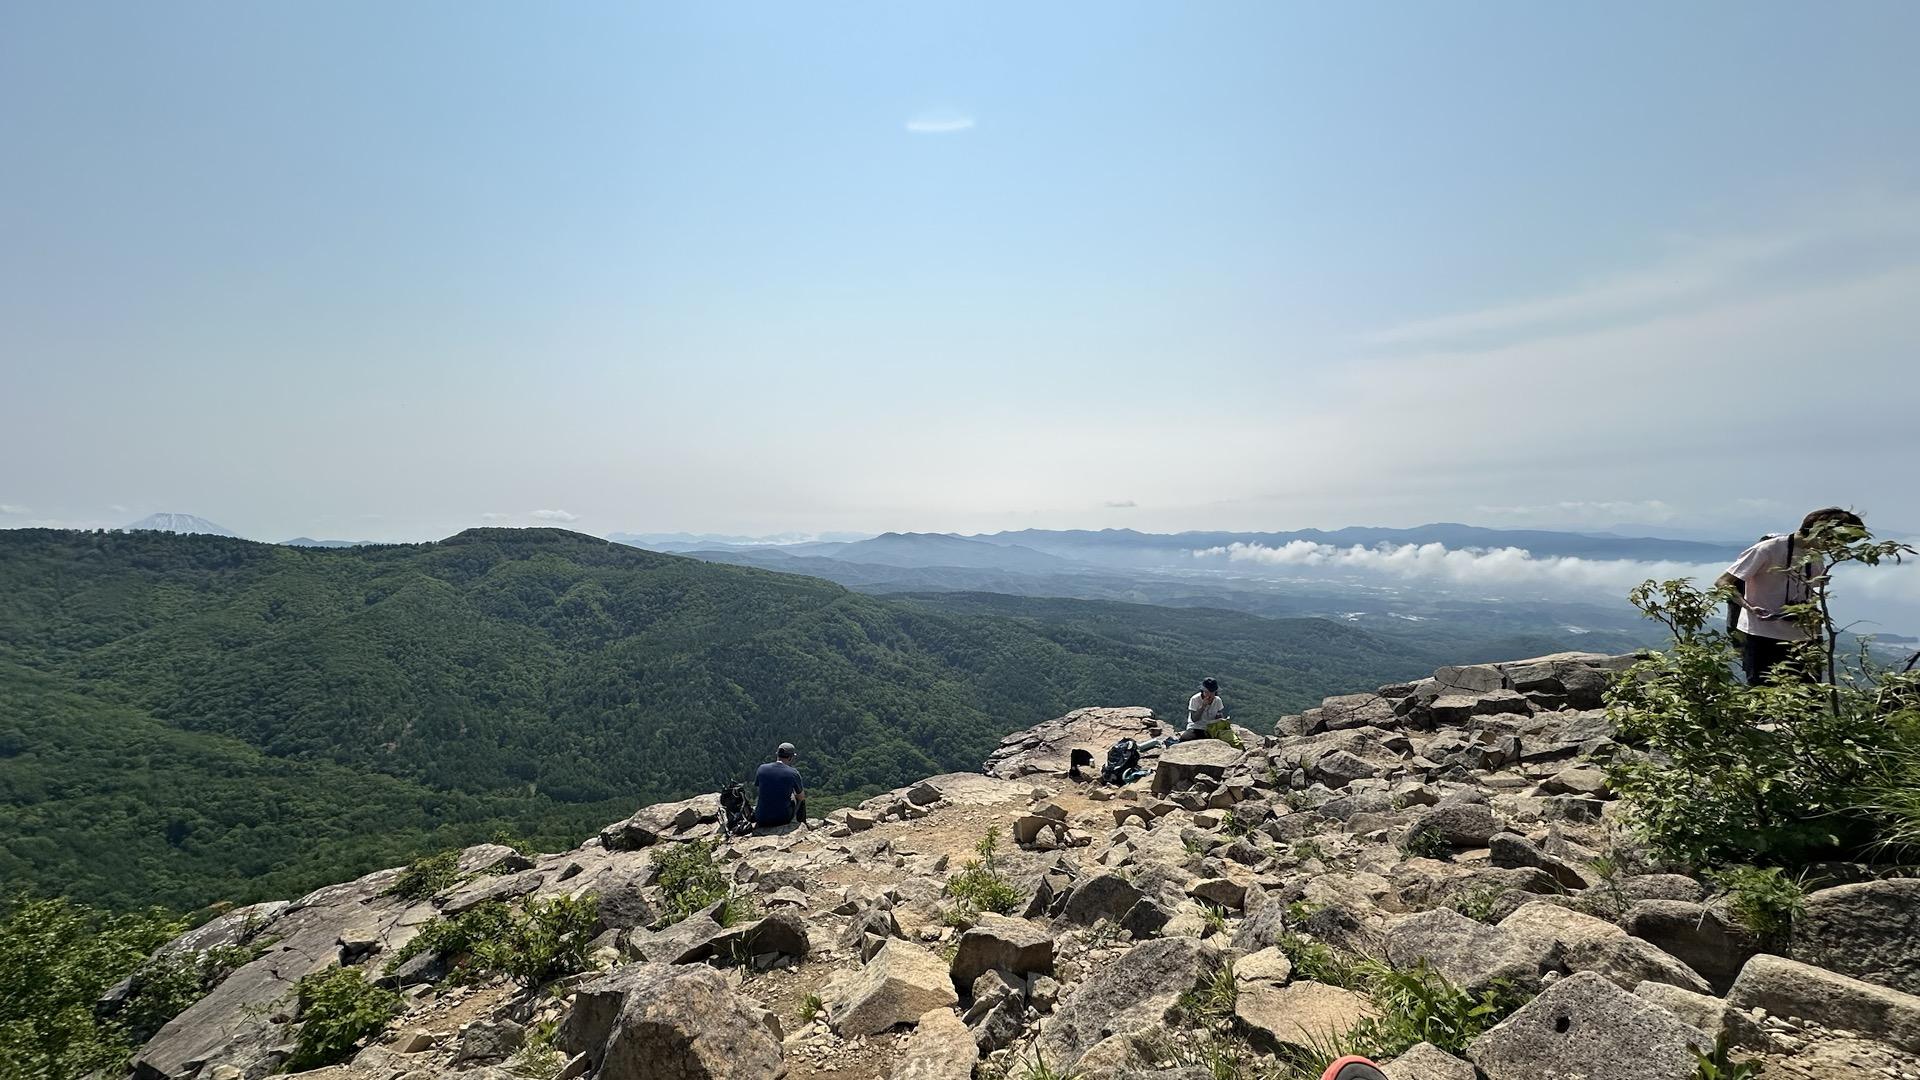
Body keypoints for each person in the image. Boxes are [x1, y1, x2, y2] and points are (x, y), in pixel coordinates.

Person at [1716, 507, 1864, 685]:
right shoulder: (1768, 549)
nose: (1835, 547)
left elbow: (1809, 595)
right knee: (1766, 698)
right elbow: (1723, 582)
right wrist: (1748, 607)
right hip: (1762, 636)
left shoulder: (1815, 556)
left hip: (1803, 638)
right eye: (1837, 540)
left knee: (1809, 701)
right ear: (1821, 530)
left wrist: (1817, 637)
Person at [1140, 678, 1229, 750]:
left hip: (1211, 728)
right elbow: (1194, 719)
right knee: (1186, 739)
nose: (1209, 695)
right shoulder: (1195, 699)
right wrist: (1203, 706)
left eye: (1212, 692)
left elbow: (1219, 714)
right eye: (1207, 692)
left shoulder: (1217, 700)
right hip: (1196, 727)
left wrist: (1221, 719)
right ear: (1203, 690)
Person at [753, 742, 807, 828]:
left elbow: (759, 790)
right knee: (799, 798)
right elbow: (801, 797)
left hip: (761, 818)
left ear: (777, 755)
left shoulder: (762, 768)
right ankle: (802, 824)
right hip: (782, 820)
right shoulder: (793, 773)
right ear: (790, 757)